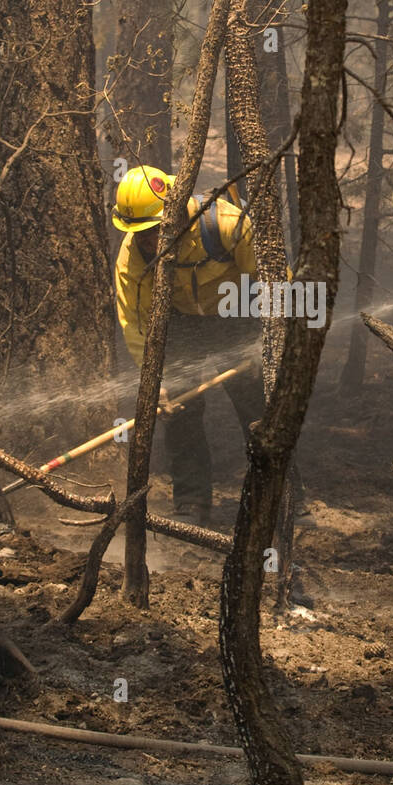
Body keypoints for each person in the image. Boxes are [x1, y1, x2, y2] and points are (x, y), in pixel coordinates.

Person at [113, 165, 308, 527]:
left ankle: (284, 500)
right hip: (183, 324)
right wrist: (155, 382)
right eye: (140, 234)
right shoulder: (133, 257)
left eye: (155, 231)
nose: (148, 242)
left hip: (238, 313)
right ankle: (191, 505)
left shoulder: (228, 224)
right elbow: (135, 322)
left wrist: (265, 343)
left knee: (259, 409)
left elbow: (278, 284)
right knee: (179, 410)